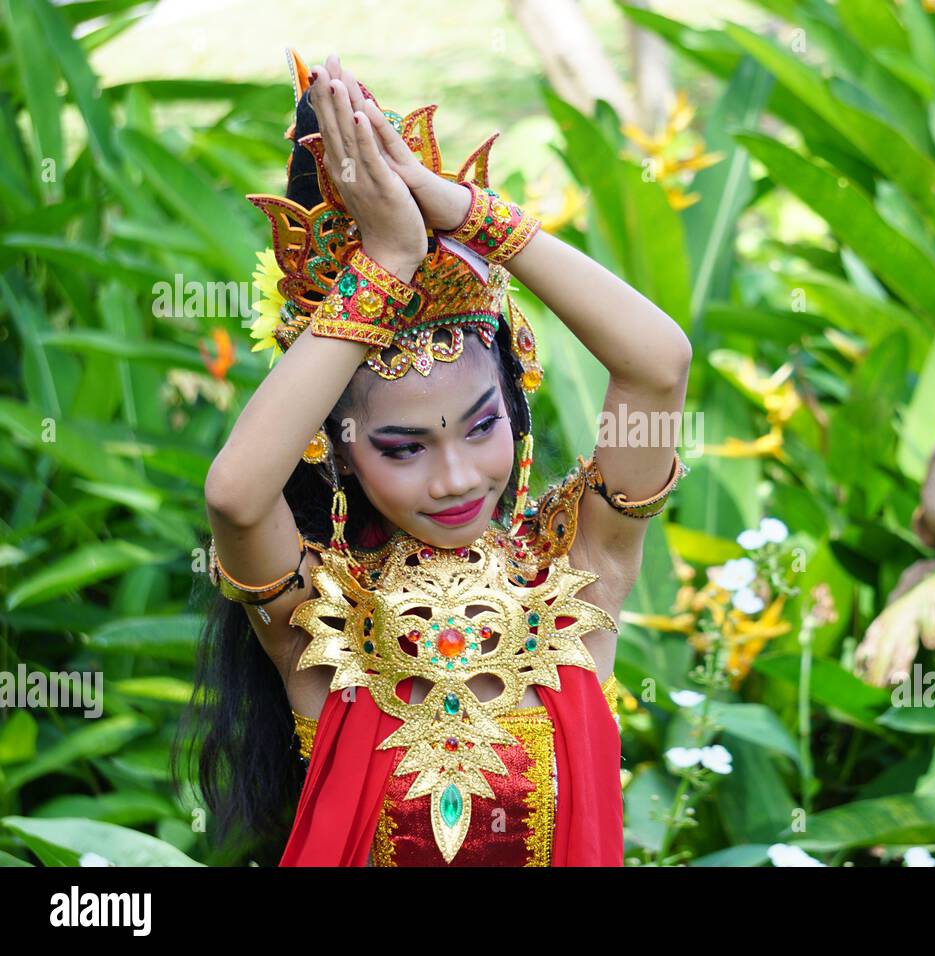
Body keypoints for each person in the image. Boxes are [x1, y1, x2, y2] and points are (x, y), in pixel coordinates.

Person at [177, 50, 691, 866]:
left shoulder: (573, 575)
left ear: (517, 400)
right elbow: (237, 497)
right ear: (330, 447)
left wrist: (464, 213)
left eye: (481, 427)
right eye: (403, 447)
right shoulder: (323, 619)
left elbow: (659, 364)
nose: (455, 478)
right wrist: (384, 266)